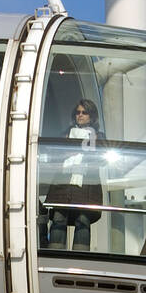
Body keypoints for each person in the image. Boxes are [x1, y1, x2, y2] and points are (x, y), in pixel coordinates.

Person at [44, 99, 104, 250]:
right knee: (59, 219)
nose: (80, 115)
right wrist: (74, 149)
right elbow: (52, 156)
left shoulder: (98, 136)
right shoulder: (65, 134)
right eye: (78, 112)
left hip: (86, 186)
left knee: (83, 220)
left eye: (84, 112)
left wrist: (89, 146)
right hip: (63, 185)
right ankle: (55, 256)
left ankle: (80, 258)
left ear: (92, 116)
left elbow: (103, 159)